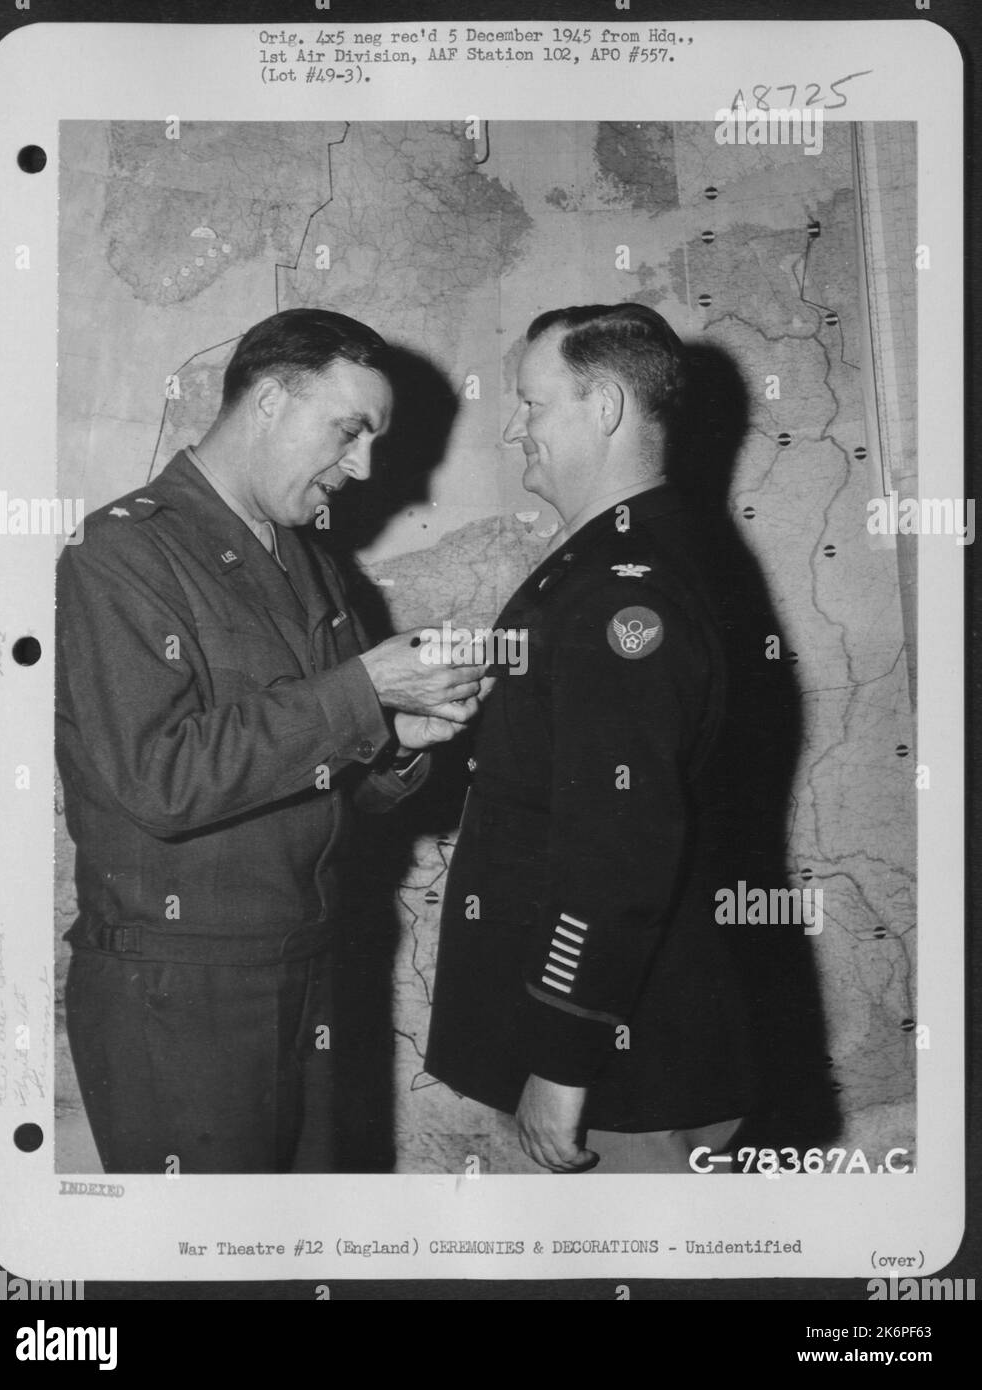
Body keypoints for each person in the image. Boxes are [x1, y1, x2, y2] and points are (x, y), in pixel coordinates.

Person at [56, 308, 485, 1174]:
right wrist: (362, 689)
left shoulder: (309, 561)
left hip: (311, 965)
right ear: (269, 401)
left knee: (305, 1255)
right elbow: (159, 781)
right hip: (183, 987)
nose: (363, 466)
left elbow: (337, 784)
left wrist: (399, 740)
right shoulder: (120, 555)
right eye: (349, 430)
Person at [425, 303, 760, 1173]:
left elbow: (620, 843)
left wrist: (566, 1055)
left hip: (624, 1066)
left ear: (604, 406)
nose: (512, 429)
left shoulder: (620, 590)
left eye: (532, 405)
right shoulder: (623, 556)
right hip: (619, 1041)